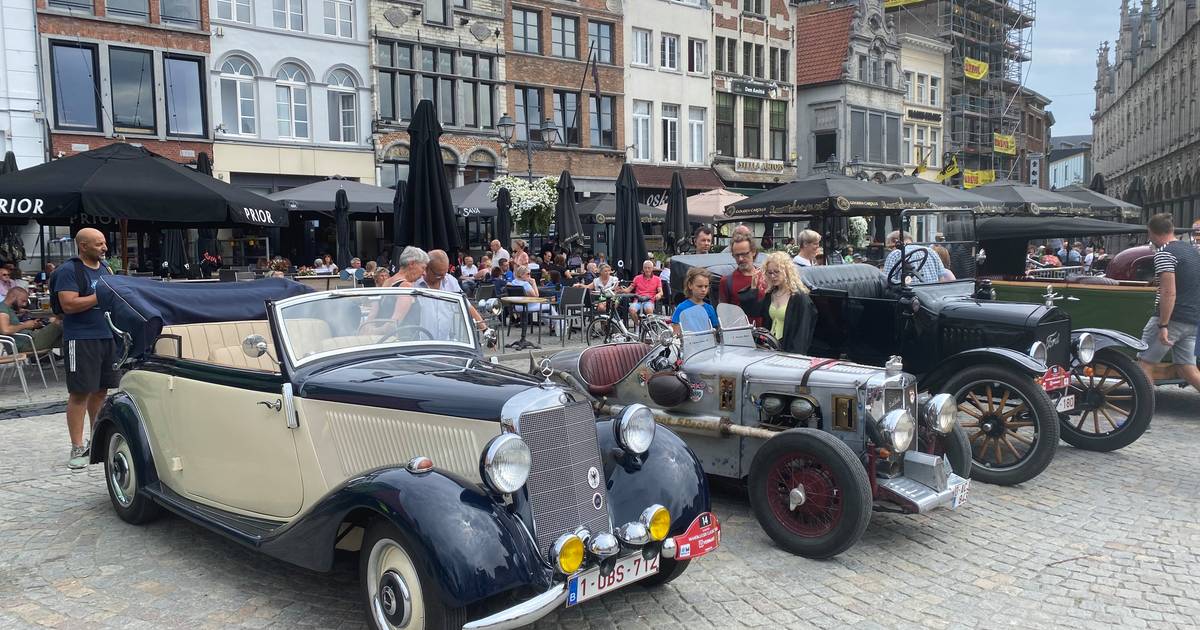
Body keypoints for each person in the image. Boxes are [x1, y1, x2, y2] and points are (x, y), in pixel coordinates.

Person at [51, 228, 117, 470]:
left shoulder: (105, 269)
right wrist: (102, 296)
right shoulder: (69, 271)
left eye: (104, 242)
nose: (104, 247)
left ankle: (96, 440)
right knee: (80, 392)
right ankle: (77, 446)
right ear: (83, 246)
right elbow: (69, 305)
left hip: (106, 335)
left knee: (101, 391)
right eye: (98, 244)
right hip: (80, 339)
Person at [1138, 214, 1200, 391]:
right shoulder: (1191, 251)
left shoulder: (1164, 254)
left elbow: (1168, 292)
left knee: (1144, 364)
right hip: (1193, 317)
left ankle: (1143, 413)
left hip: (1172, 318)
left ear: (1152, 232)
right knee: (1187, 367)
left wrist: (1163, 324)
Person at [761, 252, 817, 354]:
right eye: (769, 272)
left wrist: (795, 357)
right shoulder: (770, 294)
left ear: (786, 271)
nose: (773, 276)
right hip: (770, 348)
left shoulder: (800, 298)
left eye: (776, 272)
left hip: (789, 351)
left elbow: (802, 333)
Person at [719, 232, 766, 325]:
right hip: (739, 335)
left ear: (753, 252)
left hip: (765, 335)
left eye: (744, 254)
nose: (740, 259)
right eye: (736, 255)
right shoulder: (726, 281)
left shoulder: (766, 277)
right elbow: (723, 317)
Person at [0, 287, 62, 353]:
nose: (24, 304)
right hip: (26, 344)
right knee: (58, 321)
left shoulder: (8, 308)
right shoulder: (2, 308)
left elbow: (12, 326)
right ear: (13, 296)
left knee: (64, 336)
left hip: (30, 339)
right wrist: (25, 325)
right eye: (23, 301)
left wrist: (32, 325)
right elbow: (5, 330)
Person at [882, 231, 951, 285]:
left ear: (896, 242)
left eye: (890, 247)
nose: (890, 250)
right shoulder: (931, 251)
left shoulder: (895, 254)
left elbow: (886, 282)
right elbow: (941, 279)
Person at [671, 266, 720, 334]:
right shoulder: (682, 308)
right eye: (699, 286)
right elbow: (676, 331)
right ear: (690, 285)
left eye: (706, 286)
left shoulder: (709, 308)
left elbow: (715, 330)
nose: (703, 289)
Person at [621, 260, 663, 327]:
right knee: (631, 310)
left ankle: (650, 327)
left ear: (652, 269)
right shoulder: (637, 278)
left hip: (649, 300)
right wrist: (622, 290)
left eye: (649, 268)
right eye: (645, 268)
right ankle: (639, 325)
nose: (647, 269)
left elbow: (661, 291)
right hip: (638, 300)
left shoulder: (657, 279)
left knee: (648, 309)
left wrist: (659, 294)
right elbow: (629, 289)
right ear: (643, 268)